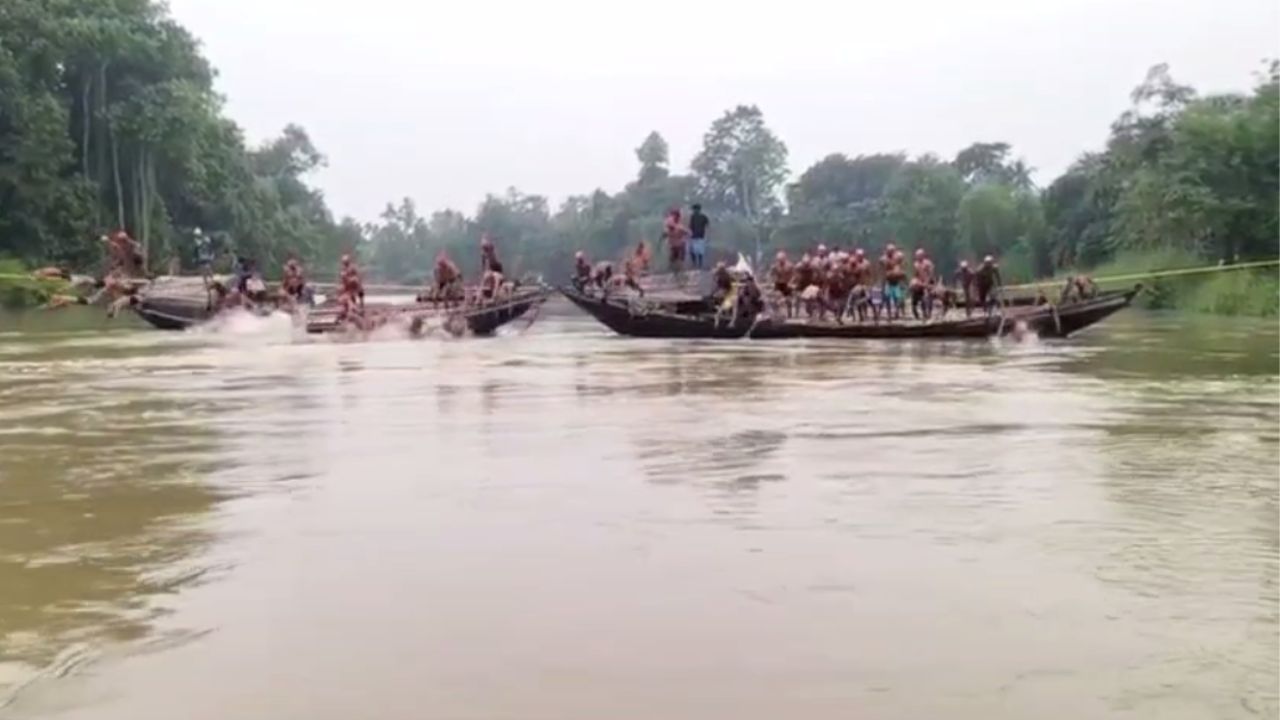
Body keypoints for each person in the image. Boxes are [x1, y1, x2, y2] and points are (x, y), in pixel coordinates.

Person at [880, 243, 906, 320]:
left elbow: (902, 266)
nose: (890, 252)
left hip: (896, 282)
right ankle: (889, 314)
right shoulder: (884, 259)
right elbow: (882, 267)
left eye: (892, 251)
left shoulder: (898, 257)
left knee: (898, 298)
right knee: (887, 297)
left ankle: (897, 312)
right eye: (889, 251)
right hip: (888, 281)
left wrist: (900, 273)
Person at [910, 248, 936, 320]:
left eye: (919, 255)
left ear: (922, 255)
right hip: (919, 283)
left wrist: (927, 283)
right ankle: (917, 314)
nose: (918, 257)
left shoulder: (928, 263)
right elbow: (915, 275)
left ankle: (928, 313)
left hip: (928, 283)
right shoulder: (915, 264)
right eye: (917, 256)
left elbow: (931, 274)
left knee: (927, 298)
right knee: (915, 299)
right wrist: (915, 282)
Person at [769, 251, 795, 317]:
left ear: (784, 258)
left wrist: (791, 282)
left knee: (788, 300)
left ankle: (789, 313)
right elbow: (770, 274)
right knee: (774, 299)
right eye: (778, 259)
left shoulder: (790, 265)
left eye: (781, 259)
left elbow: (794, 275)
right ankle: (776, 313)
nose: (779, 260)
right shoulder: (775, 266)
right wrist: (772, 281)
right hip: (778, 284)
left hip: (787, 284)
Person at [688, 204, 710, 270]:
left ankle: (699, 264)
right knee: (692, 251)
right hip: (693, 236)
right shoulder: (692, 217)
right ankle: (694, 264)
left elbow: (708, 226)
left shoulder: (703, 217)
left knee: (700, 251)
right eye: (694, 210)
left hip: (700, 236)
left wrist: (707, 235)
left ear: (699, 210)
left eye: (695, 209)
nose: (694, 211)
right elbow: (690, 226)